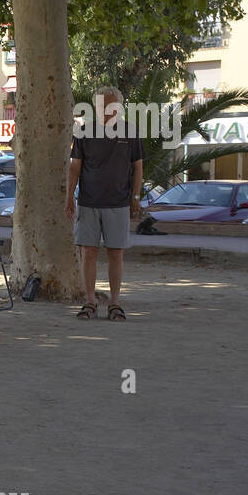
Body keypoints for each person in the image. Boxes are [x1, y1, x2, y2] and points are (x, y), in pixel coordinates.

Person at [66, 85, 144, 321]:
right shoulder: (83, 133)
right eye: (101, 104)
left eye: (110, 104)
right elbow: (75, 166)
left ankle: (115, 302)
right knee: (88, 252)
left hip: (119, 202)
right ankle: (90, 301)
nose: (105, 109)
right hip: (89, 202)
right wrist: (69, 196)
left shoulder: (130, 132)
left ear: (118, 107)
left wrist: (136, 197)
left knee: (115, 253)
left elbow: (138, 167)